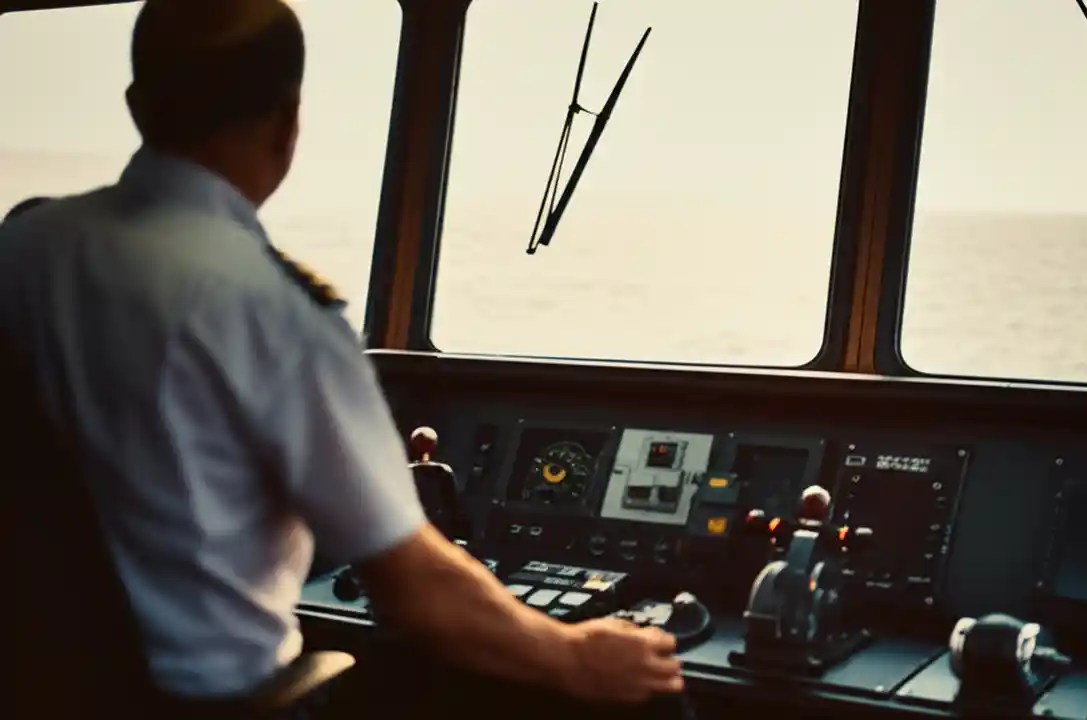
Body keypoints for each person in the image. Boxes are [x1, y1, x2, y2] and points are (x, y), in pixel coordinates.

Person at [0, 0, 681, 709]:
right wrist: (576, 656)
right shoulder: (271, 312)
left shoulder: (21, 249)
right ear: (288, 123)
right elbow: (416, 595)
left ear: (138, 107)